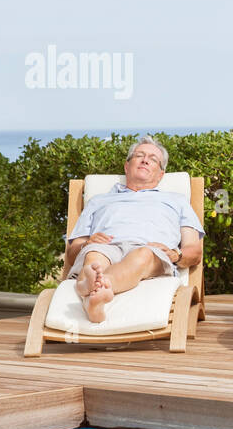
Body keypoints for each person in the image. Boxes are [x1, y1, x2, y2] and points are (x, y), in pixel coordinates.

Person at [63, 136, 204, 322]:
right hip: (106, 246)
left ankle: (89, 288)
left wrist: (175, 255)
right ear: (126, 166)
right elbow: (72, 254)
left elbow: (195, 251)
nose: (145, 160)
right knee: (94, 255)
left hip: (149, 250)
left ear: (161, 174)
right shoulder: (98, 201)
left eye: (153, 159)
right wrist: (86, 244)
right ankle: (93, 295)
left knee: (142, 254)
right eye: (139, 155)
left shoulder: (176, 201)